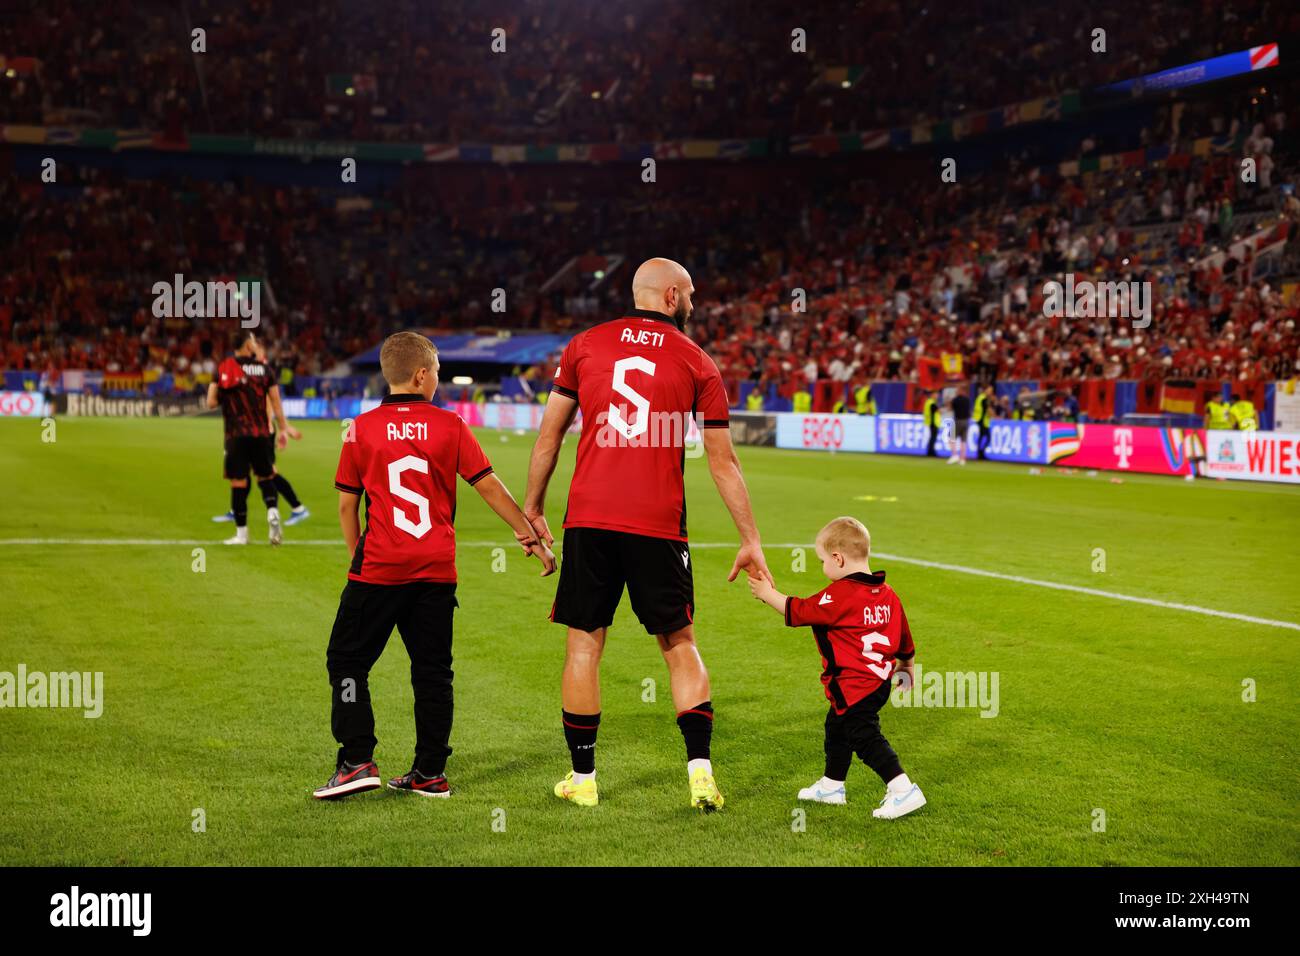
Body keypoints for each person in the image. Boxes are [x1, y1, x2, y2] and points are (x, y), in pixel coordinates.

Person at [522, 257, 772, 812]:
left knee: (584, 645)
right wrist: (750, 537)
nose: (694, 304)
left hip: (588, 519)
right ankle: (701, 775)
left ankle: (583, 779)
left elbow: (549, 436)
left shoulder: (584, 345)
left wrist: (533, 507)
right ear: (671, 295)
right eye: (690, 295)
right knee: (680, 645)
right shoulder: (697, 361)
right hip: (658, 524)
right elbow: (723, 461)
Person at [313, 332, 555, 800]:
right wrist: (532, 537)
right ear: (421, 375)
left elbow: (347, 507)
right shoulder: (451, 426)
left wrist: (358, 563)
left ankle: (357, 759)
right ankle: (429, 772)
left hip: (380, 568)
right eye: (438, 371)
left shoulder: (360, 428)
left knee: (346, 662)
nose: (440, 379)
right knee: (432, 672)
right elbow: (489, 487)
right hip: (436, 570)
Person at [745, 516, 925, 820]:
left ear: (838, 559)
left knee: (864, 737)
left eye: (822, 560)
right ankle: (832, 786)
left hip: (853, 685)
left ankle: (902, 788)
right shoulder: (888, 594)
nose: (822, 567)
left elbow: (798, 611)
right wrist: (907, 668)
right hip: (878, 681)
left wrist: (766, 594)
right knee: (837, 728)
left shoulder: (841, 594)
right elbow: (905, 640)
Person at [206, 333, 296, 546]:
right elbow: (275, 402)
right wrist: (283, 428)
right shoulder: (265, 370)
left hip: (235, 436)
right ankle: (273, 512)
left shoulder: (224, 367)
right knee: (265, 478)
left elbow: (210, 402)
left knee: (239, 483)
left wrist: (227, 396)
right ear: (248, 345)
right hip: (261, 435)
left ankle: (241, 534)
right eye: (253, 342)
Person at [948, 389, 971, 465]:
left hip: (957, 420)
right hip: (966, 421)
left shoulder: (955, 400)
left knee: (951, 438)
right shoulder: (967, 400)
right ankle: (962, 459)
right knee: (963, 440)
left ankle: (954, 455)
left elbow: (950, 408)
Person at [973, 384, 994, 460]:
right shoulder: (984, 399)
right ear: (986, 390)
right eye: (990, 390)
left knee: (981, 437)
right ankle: (981, 452)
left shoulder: (980, 397)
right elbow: (988, 410)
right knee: (988, 437)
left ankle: (979, 453)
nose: (991, 392)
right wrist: (994, 416)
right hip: (982, 421)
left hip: (979, 420)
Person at [923, 390, 940, 456]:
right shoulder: (932, 403)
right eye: (936, 394)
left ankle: (930, 451)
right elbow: (938, 411)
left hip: (931, 422)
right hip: (933, 423)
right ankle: (931, 452)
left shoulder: (928, 402)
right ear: (932, 395)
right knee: (933, 438)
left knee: (932, 437)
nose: (937, 396)